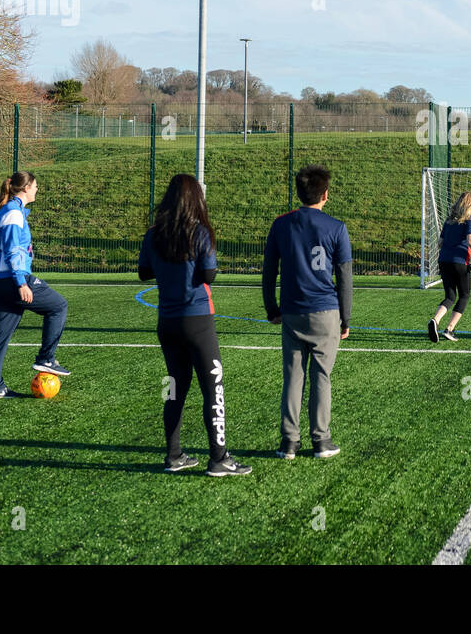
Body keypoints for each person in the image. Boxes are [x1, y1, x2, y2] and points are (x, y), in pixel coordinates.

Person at [139, 173, 250, 476]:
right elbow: (209, 275)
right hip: (198, 320)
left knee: (174, 387)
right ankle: (219, 458)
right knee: (213, 388)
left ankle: (173, 455)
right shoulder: (200, 233)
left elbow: (143, 273)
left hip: (167, 322)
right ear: (195, 200)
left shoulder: (154, 234)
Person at [263, 165, 353, 460]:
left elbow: (268, 272)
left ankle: (289, 442)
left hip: (291, 310)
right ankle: (321, 440)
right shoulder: (337, 227)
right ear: (325, 194)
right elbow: (344, 278)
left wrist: (271, 308)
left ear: (299, 193)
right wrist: (346, 318)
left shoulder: (281, 224)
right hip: (326, 311)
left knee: (293, 376)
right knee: (321, 376)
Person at [0, 171, 70, 400]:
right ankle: (46, 358)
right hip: (9, 279)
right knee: (58, 306)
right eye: (35, 186)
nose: (37, 190)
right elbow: (13, 251)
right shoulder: (13, 214)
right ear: (25, 188)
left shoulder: (12, 211)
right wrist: (21, 282)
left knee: (0, 335)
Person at [429, 191, 471, 342]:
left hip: (444, 260)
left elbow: (440, 243)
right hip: (460, 262)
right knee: (464, 295)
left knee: (450, 296)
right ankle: (449, 329)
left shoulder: (449, 220)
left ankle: (435, 320)